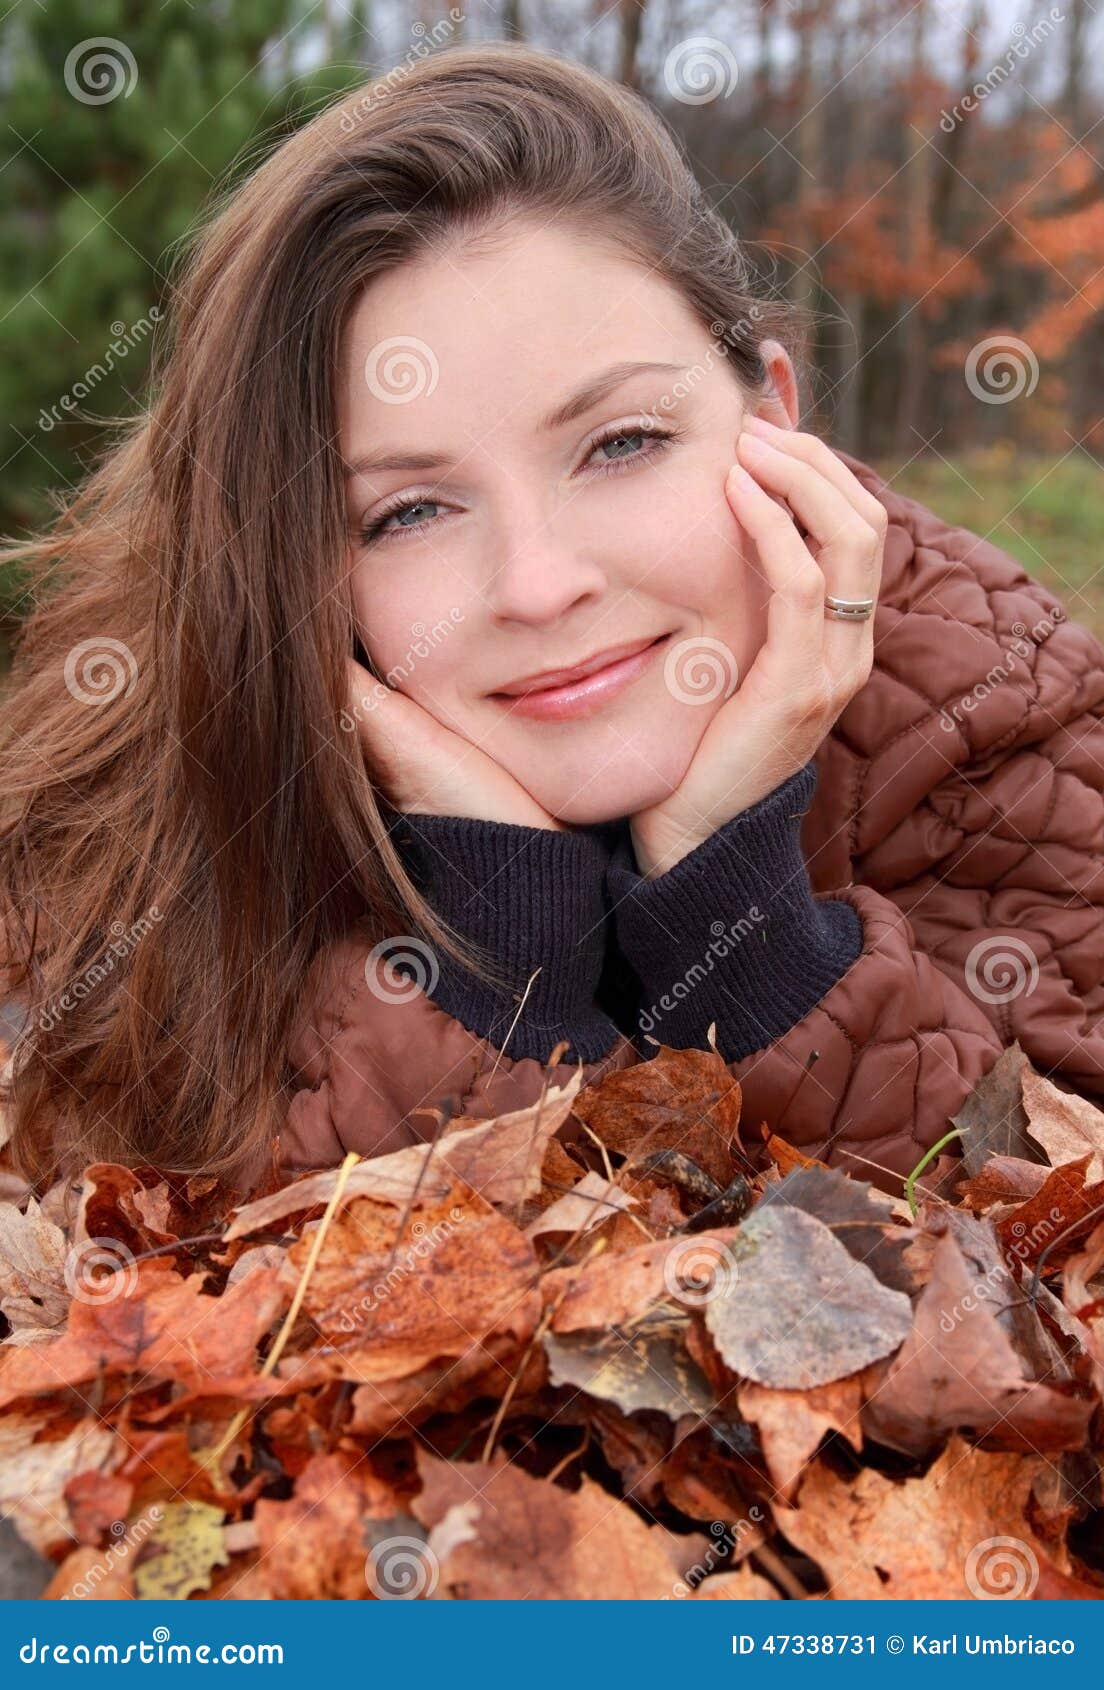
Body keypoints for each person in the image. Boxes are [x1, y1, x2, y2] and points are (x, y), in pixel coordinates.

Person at [2, 43, 1102, 1203]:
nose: (535, 584)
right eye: (410, 510)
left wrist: (749, 926)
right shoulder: (156, 817)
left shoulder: (997, 715)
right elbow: (219, 1323)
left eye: (621, 443)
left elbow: (1050, 1274)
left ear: (776, 416)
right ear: (298, 569)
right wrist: (494, 950)